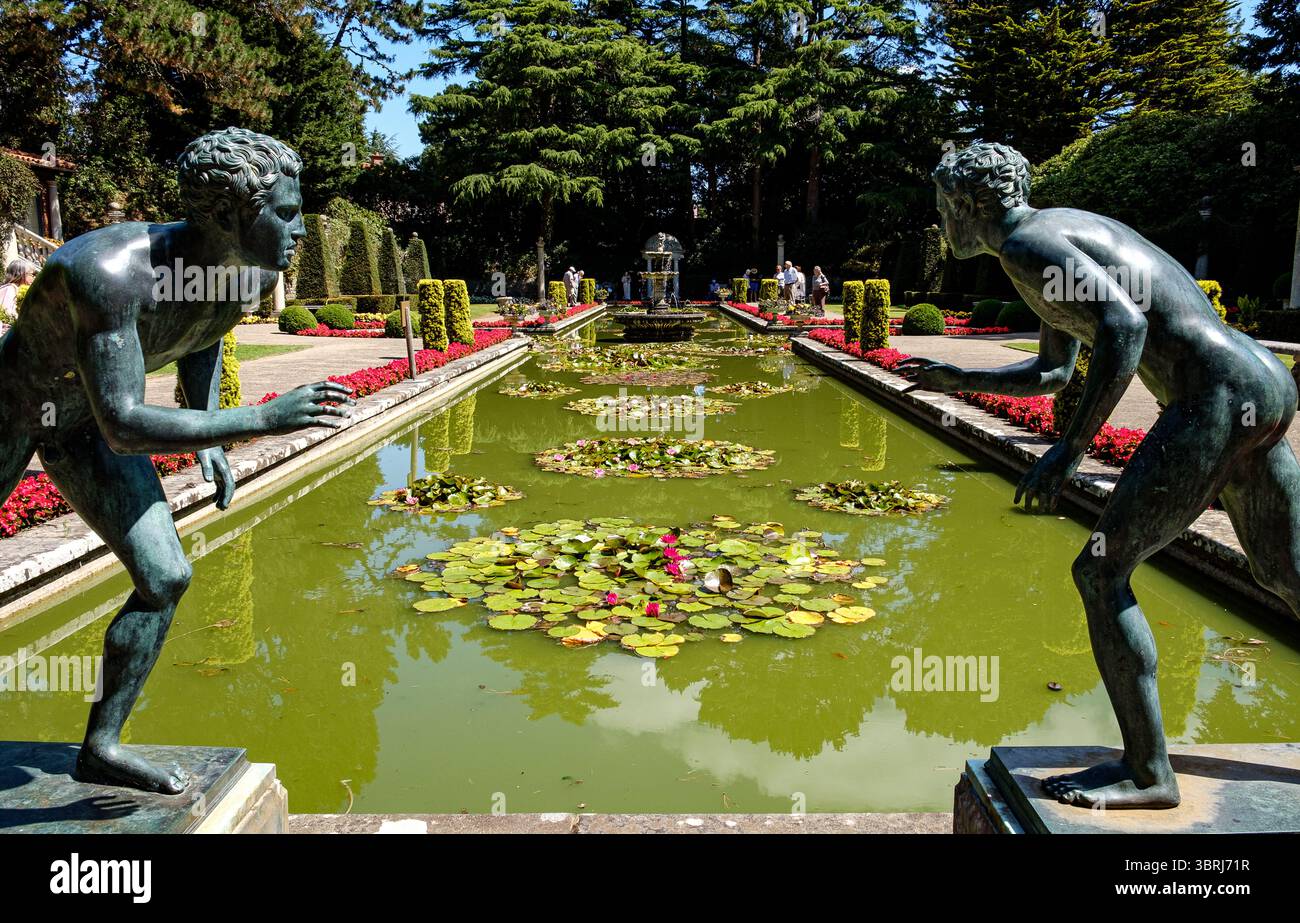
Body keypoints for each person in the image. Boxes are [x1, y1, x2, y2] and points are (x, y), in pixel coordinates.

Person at [899, 141, 1300, 810]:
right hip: (1255, 380)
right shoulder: (1044, 235)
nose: (941, 222)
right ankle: (1146, 766)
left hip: (1217, 394)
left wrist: (1071, 449)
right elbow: (1051, 372)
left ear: (971, 204)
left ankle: (1148, 771)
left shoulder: (1029, 244)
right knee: (1284, 572)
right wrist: (953, 375)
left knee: (1100, 570)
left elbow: (1124, 326)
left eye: (944, 207)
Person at [0, 127, 353, 792]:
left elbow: (202, 336)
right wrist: (260, 418)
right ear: (225, 217)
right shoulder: (105, 273)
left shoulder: (237, 273)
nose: (301, 227)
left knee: (164, 578)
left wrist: (209, 438)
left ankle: (100, 746)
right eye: (285, 212)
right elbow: (126, 424)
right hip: (16, 406)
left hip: (88, 423)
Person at [0, 259, 37, 336]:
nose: (34, 278)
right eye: (32, 274)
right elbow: (5, 316)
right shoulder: (10, 289)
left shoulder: (21, 291)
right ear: (21, 274)